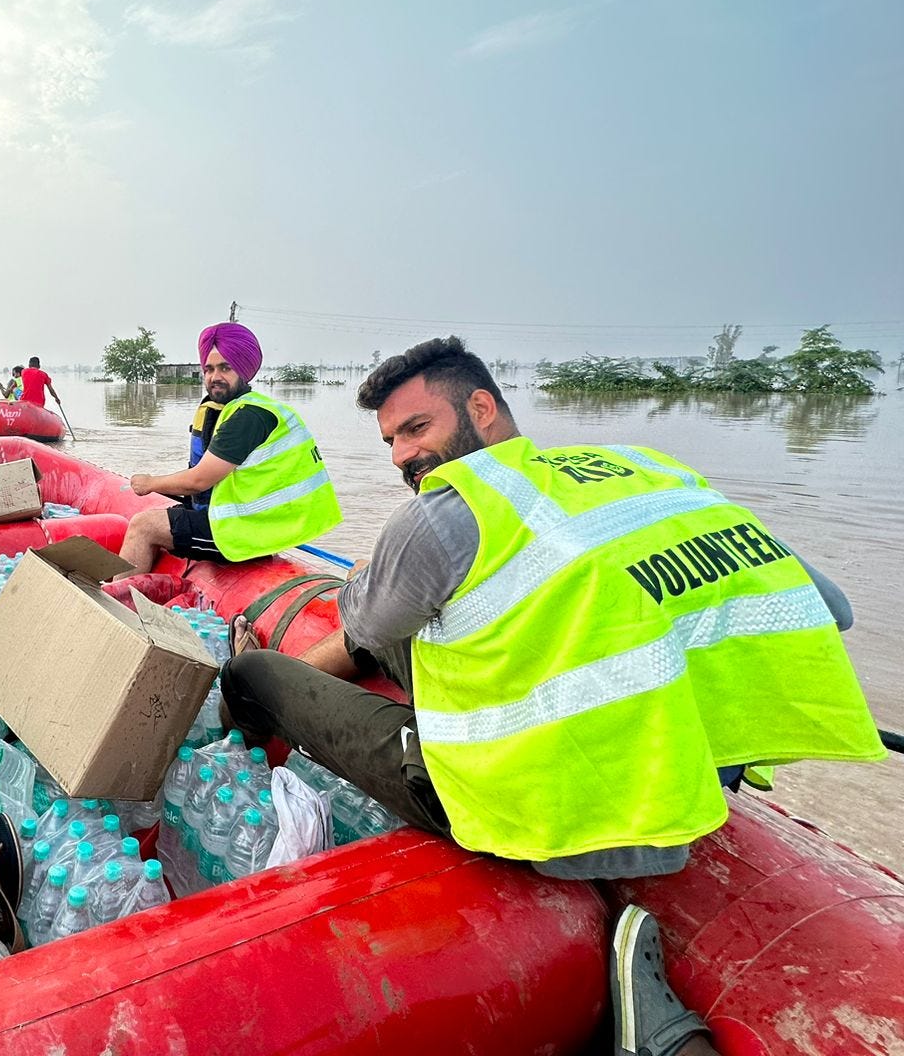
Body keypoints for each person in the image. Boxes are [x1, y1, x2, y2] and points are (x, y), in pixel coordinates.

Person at [219, 336, 885, 1056]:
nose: (402, 457)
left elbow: (367, 624)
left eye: (416, 429)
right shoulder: (646, 471)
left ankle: (231, 754)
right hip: (689, 783)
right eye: (391, 441)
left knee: (252, 675)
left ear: (481, 408)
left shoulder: (446, 513)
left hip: (528, 804)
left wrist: (365, 581)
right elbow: (833, 607)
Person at [116, 322, 342, 576]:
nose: (215, 377)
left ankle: (110, 599)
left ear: (243, 370)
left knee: (143, 525)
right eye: (209, 369)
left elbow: (198, 480)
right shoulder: (253, 408)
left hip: (247, 531)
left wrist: (150, 483)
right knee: (163, 518)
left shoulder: (247, 416)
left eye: (225, 368)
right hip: (266, 523)